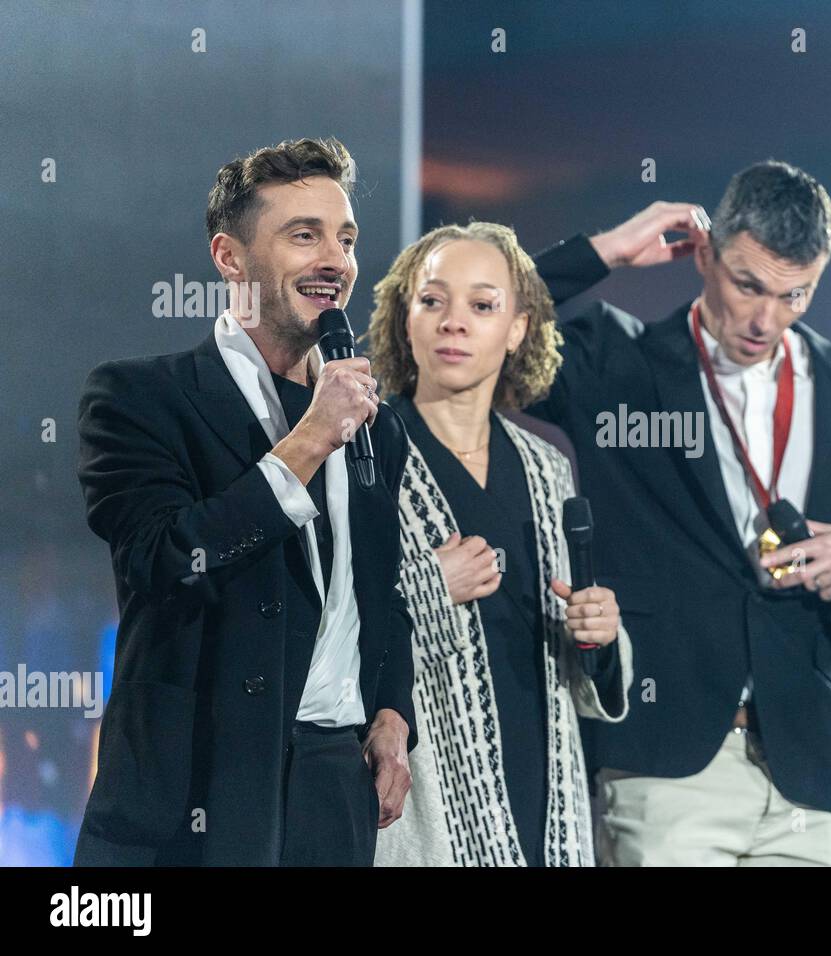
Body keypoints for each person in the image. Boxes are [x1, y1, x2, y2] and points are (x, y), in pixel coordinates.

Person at [520, 162, 831, 865]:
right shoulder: (614, 360)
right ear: (706, 253)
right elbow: (469, 323)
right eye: (748, 284)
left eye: (793, 295)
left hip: (809, 768)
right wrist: (606, 251)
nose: (764, 318)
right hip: (664, 760)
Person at [74, 137, 416, 865]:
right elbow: (164, 560)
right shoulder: (140, 398)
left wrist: (391, 712)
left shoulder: (376, 426)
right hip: (197, 787)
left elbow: (382, 594)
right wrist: (309, 441)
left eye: (347, 238)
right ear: (230, 258)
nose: (336, 259)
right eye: (305, 235)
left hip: (334, 788)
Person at [367, 223, 632, 867]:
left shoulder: (547, 467)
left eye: (482, 306)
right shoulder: (360, 452)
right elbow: (315, 616)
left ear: (517, 328)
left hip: (547, 794)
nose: (453, 322)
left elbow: (581, 660)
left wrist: (600, 633)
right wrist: (428, 586)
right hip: (428, 803)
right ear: (407, 319)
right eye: (432, 301)